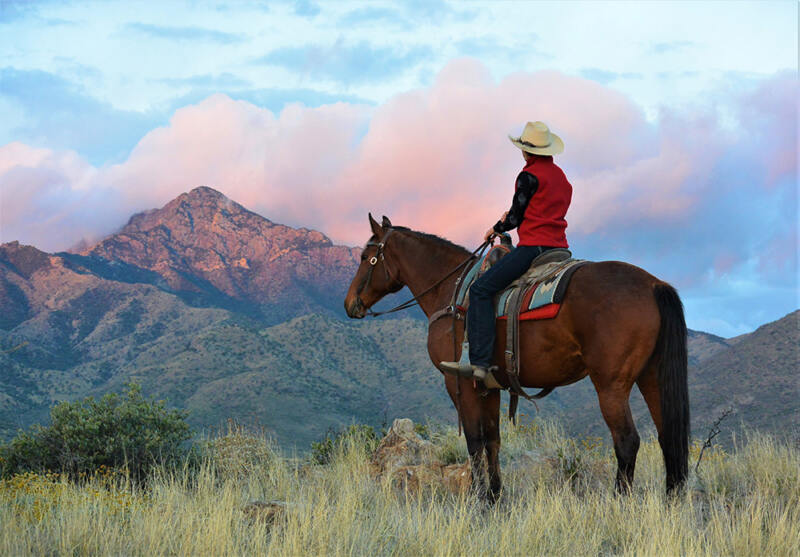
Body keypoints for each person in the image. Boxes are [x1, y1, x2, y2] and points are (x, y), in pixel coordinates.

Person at [440, 121, 573, 381]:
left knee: (480, 289)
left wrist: (497, 227)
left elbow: (516, 214)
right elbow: (541, 210)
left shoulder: (528, 176)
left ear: (526, 151)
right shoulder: (563, 180)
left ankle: (479, 363)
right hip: (560, 248)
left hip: (533, 248)